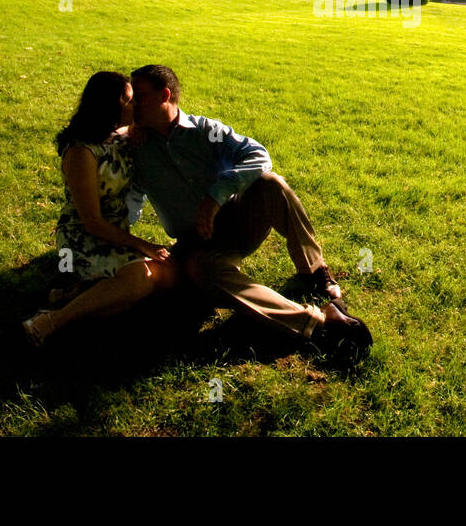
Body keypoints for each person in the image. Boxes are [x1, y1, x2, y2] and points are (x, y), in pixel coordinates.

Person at [124, 64, 372, 363]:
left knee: (271, 184)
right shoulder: (134, 145)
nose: (131, 103)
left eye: (138, 96)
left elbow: (258, 156)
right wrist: (117, 241)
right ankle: (318, 323)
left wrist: (214, 198)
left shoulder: (204, 131)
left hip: (236, 218)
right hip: (196, 245)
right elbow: (128, 200)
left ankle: (314, 274)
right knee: (204, 271)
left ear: (165, 96)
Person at [22, 72, 178, 346]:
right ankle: (50, 321)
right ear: (111, 106)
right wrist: (144, 246)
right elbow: (92, 222)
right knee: (140, 281)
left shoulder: (120, 135)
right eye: (129, 101)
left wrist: (135, 130)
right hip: (83, 236)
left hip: (115, 233)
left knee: (165, 277)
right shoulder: (81, 152)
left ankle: (81, 295)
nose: (135, 106)